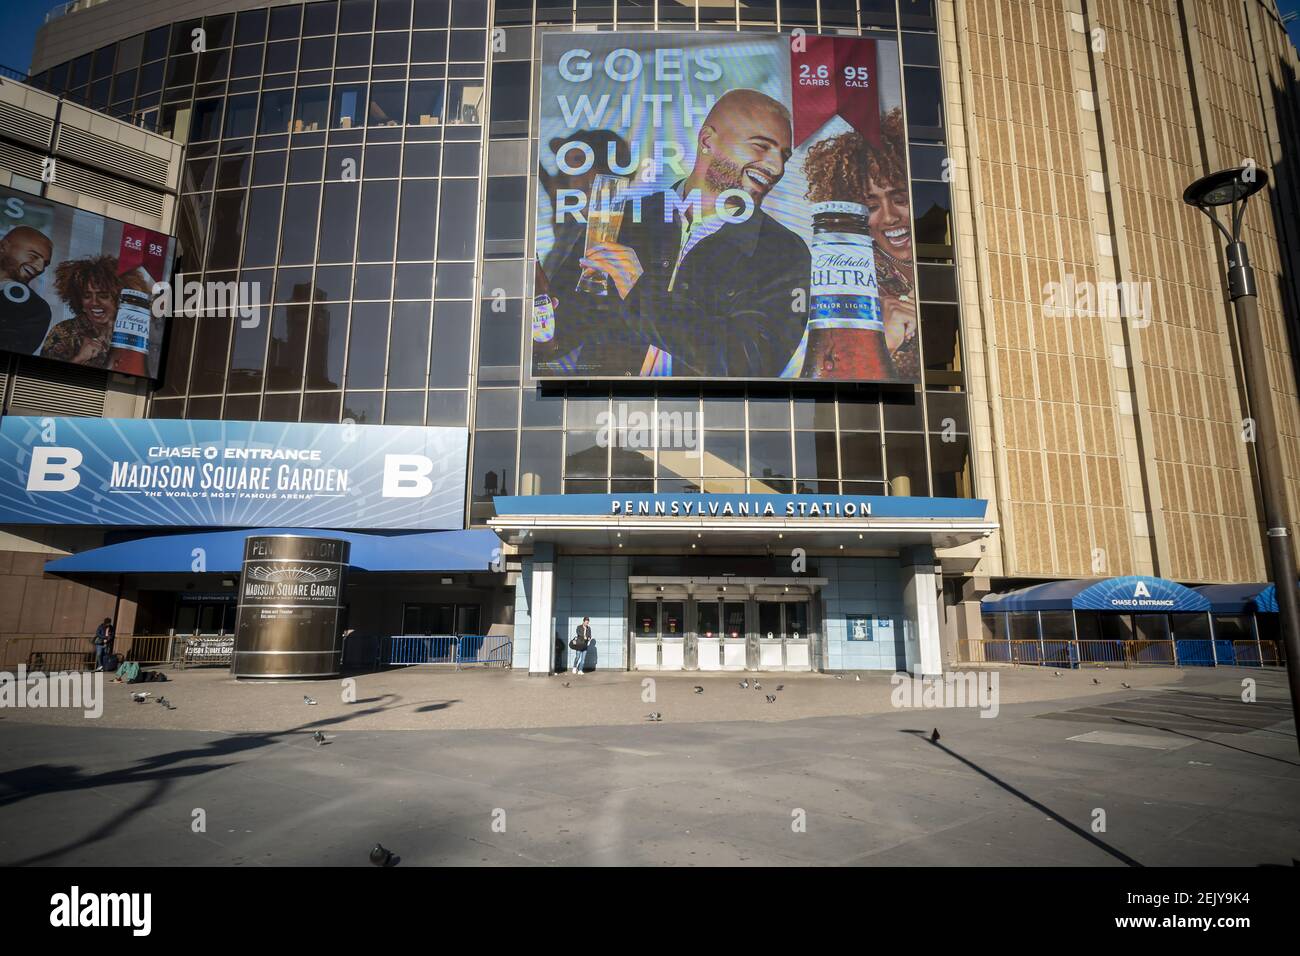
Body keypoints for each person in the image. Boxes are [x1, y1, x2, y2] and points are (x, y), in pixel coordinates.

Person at [546, 89, 811, 378]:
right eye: (762, 146)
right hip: (609, 414)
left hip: (707, 419)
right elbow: (559, 334)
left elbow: (751, 363)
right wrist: (540, 310)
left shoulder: (784, 250)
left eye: (783, 155)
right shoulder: (618, 220)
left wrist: (640, 289)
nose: (777, 166)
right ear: (707, 140)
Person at [799, 108, 919, 379]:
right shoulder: (850, 290)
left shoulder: (953, 260)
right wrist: (883, 344)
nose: (889, 217)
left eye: (900, 199)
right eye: (872, 206)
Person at [40, 255, 131, 368]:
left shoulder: (132, 332)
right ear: (79, 301)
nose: (94, 302)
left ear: (119, 299)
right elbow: (45, 376)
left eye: (103, 295)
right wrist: (79, 359)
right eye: (87, 296)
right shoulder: (64, 332)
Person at [0, 225, 55, 356]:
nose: (40, 268)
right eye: (34, 256)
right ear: (3, 247)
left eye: (45, 264)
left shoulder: (37, 309)